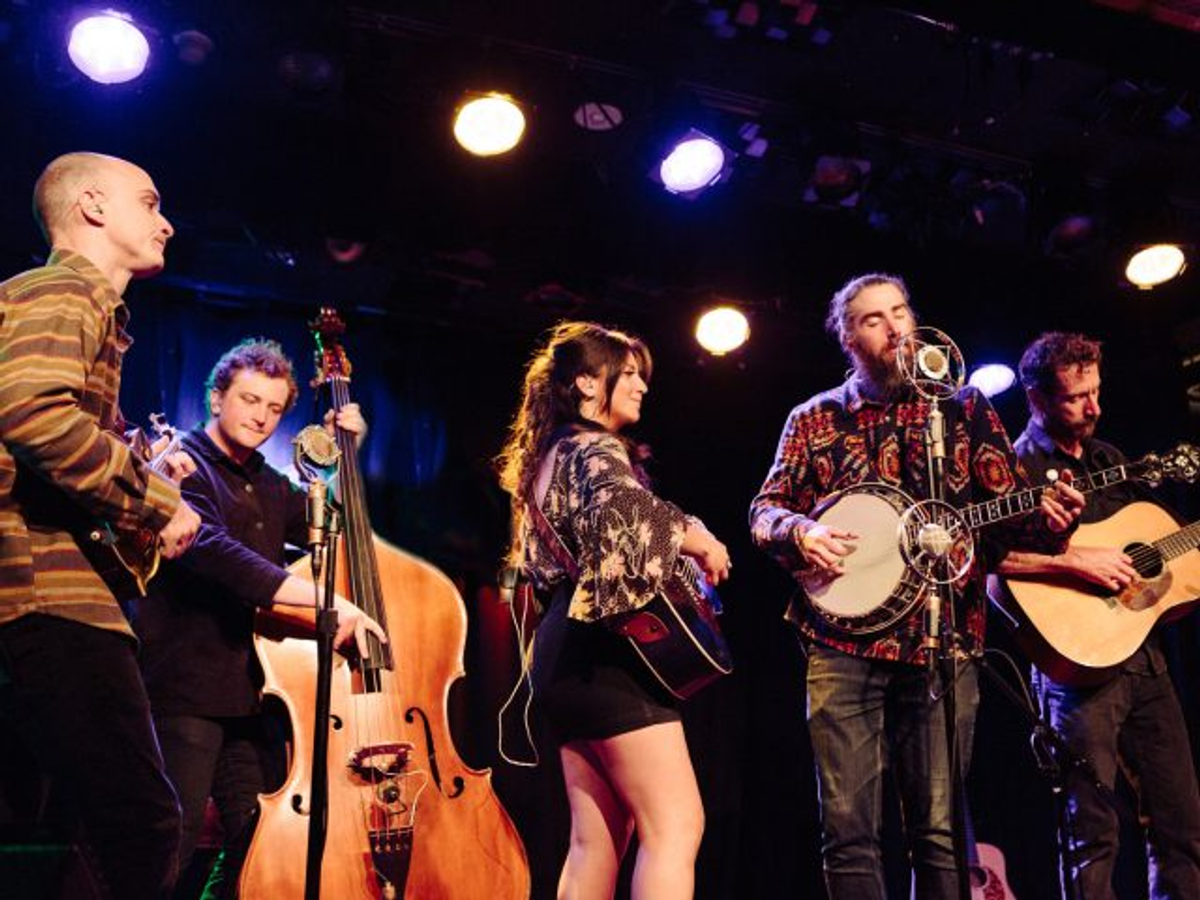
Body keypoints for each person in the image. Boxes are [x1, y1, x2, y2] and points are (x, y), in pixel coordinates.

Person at [748, 273, 1083, 899]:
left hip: (941, 642)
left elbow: (1008, 522)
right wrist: (799, 534)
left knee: (938, 831)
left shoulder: (964, 409)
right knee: (848, 829)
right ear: (848, 338)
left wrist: (1052, 515)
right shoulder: (814, 419)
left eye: (901, 311)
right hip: (840, 643)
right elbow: (764, 510)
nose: (896, 326)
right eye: (875, 319)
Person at [0, 151, 202, 899]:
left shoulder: (70, 307)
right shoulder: (67, 290)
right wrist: (156, 500)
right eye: (149, 203)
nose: (166, 221)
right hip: (48, 595)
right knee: (139, 826)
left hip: (46, 592)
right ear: (92, 206)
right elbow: (31, 412)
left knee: (79, 833)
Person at [132, 337, 387, 899]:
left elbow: (340, 534)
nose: (261, 417)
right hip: (185, 691)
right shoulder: (184, 465)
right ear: (216, 396)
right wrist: (321, 603)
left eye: (274, 408)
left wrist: (350, 453)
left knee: (263, 843)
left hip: (253, 699)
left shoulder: (272, 484)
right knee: (165, 846)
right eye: (249, 400)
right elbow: (213, 550)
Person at [496, 321, 731, 900]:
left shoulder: (550, 455)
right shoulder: (594, 446)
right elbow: (621, 515)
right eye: (627, 375)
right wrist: (696, 536)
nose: (642, 387)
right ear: (584, 383)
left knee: (594, 842)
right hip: (607, 655)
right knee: (676, 826)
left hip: (562, 655)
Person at [994, 331, 1200, 899]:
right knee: (1092, 834)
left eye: (1097, 392)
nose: (1094, 408)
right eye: (1075, 398)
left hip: (1146, 664)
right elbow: (992, 566)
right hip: (1077, 670)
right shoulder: (1014, 469)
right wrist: (1078, 563)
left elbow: (1153, 551)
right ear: (1036, 399)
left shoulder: (1111, 459)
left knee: (1181, 825)